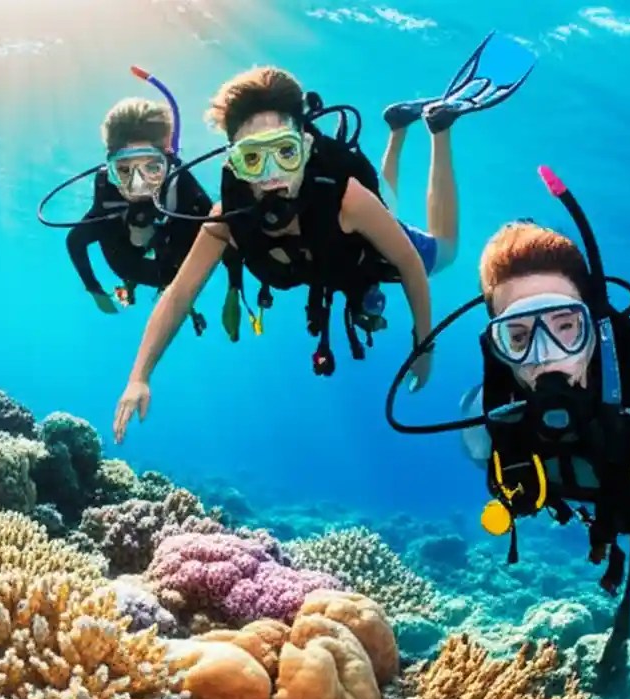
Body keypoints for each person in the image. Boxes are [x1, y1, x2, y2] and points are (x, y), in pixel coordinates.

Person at [385, 166, 630, 697]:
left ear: (594, 322)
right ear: (496, 346)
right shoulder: (484, 419)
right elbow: (486, 459)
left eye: (566, 327)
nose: (547, 358)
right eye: (519, 336)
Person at [112, 34, 534, 444]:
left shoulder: (347, 199)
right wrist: (138, 375)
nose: (273, 175)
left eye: (286, 153)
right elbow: (179, 293)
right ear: (234, 165)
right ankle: (398, 129)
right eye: (254, 159)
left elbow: (407, 264)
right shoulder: (226, 220)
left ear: (307, 146)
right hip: (349, 236)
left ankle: (440, 129)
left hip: (364, 241)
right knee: (382, 200)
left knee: (444, 250)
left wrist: (423, 345)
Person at [38, 70, 244, 339]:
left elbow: (225, 236)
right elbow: (75, 241)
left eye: (152, 168)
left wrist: (233, 292)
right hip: (127, 261)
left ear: (168, 161)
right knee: (122, 245)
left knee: (201, 240)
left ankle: (152, 289)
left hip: (173, 265)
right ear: (109, 168)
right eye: (123, 170)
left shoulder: (181, 184)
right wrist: (95, 290)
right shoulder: (106, 189)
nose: (139, 184)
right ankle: (131, 284)